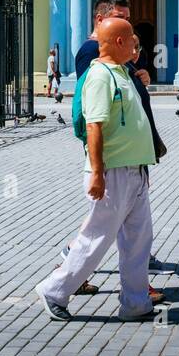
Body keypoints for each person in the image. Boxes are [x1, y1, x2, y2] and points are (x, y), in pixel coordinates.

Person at [35, 18, 157, 322]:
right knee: (96, 238)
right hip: (113, 172)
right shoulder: (100, 76)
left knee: (139, 239)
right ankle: (54, 291)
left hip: (134, 171)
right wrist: (98, 173)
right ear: (118, 42)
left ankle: (136, 302)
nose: (136, 46)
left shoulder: (123, 73)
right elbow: (94, 126)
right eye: (131, 41)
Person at [68, 0, 167, 295]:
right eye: (121, 19)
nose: (128, 26)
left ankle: (136, 292)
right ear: (102, 22)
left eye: (128, 18)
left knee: (122, 226)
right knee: (103, 227)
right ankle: (65, 276)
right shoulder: (93, 53)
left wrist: (141, 76)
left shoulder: (121, 59)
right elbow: (95, 112)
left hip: (131, 156)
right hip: (115, 157)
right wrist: (97, 168)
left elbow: (125, 89)